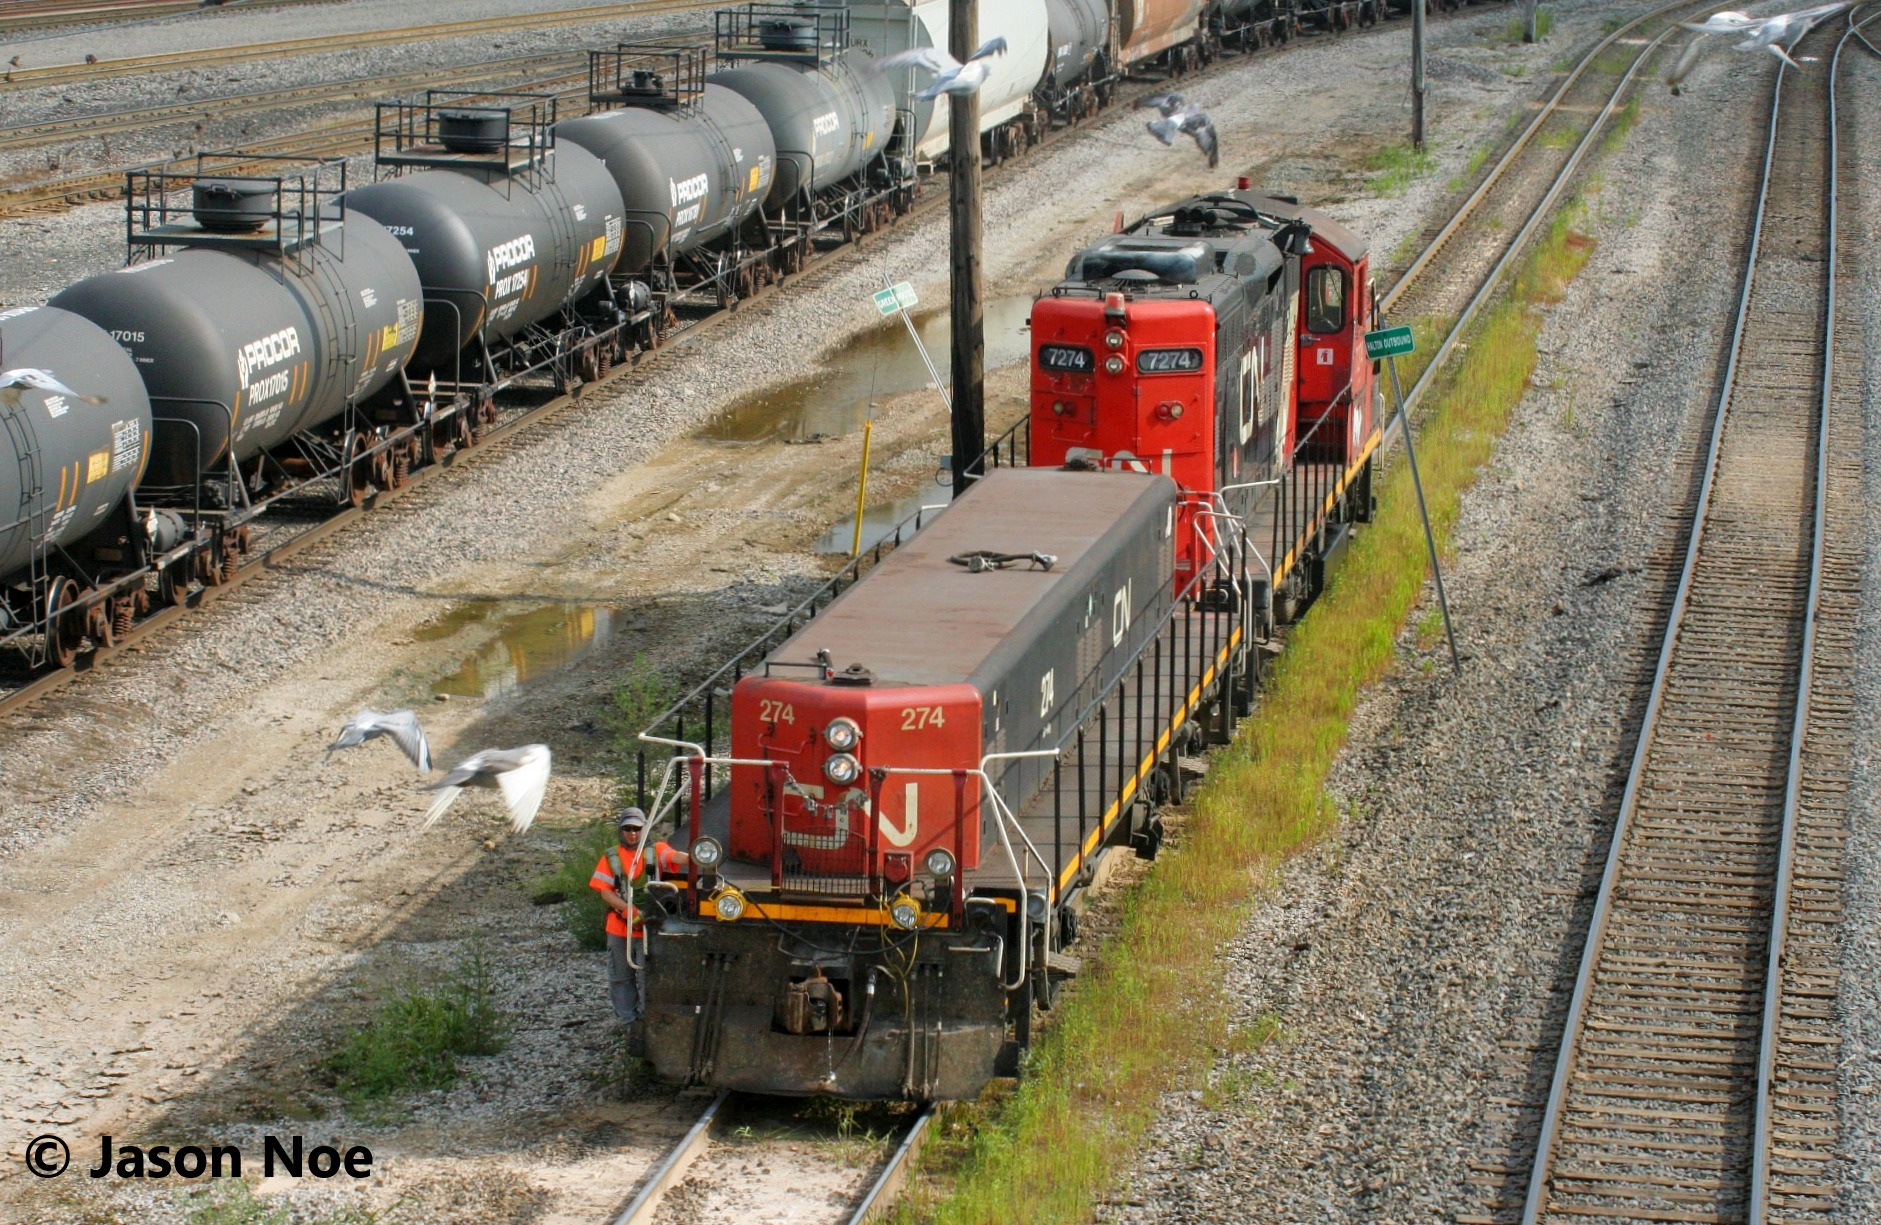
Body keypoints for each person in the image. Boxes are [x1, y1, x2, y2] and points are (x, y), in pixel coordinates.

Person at [590, 808, 690, 1047]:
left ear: (644, 829)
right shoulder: (610, 857)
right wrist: (628, 910)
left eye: (636, 829)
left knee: (648, 976)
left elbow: (677, 858)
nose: (632, 834)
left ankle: (647, 1022)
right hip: (619, 928)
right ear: (621, 830)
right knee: (620, 977)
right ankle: (629, 1024)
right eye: (628, 829)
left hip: (648, 928)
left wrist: (700, 855)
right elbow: (605, 892)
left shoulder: (656, 851)